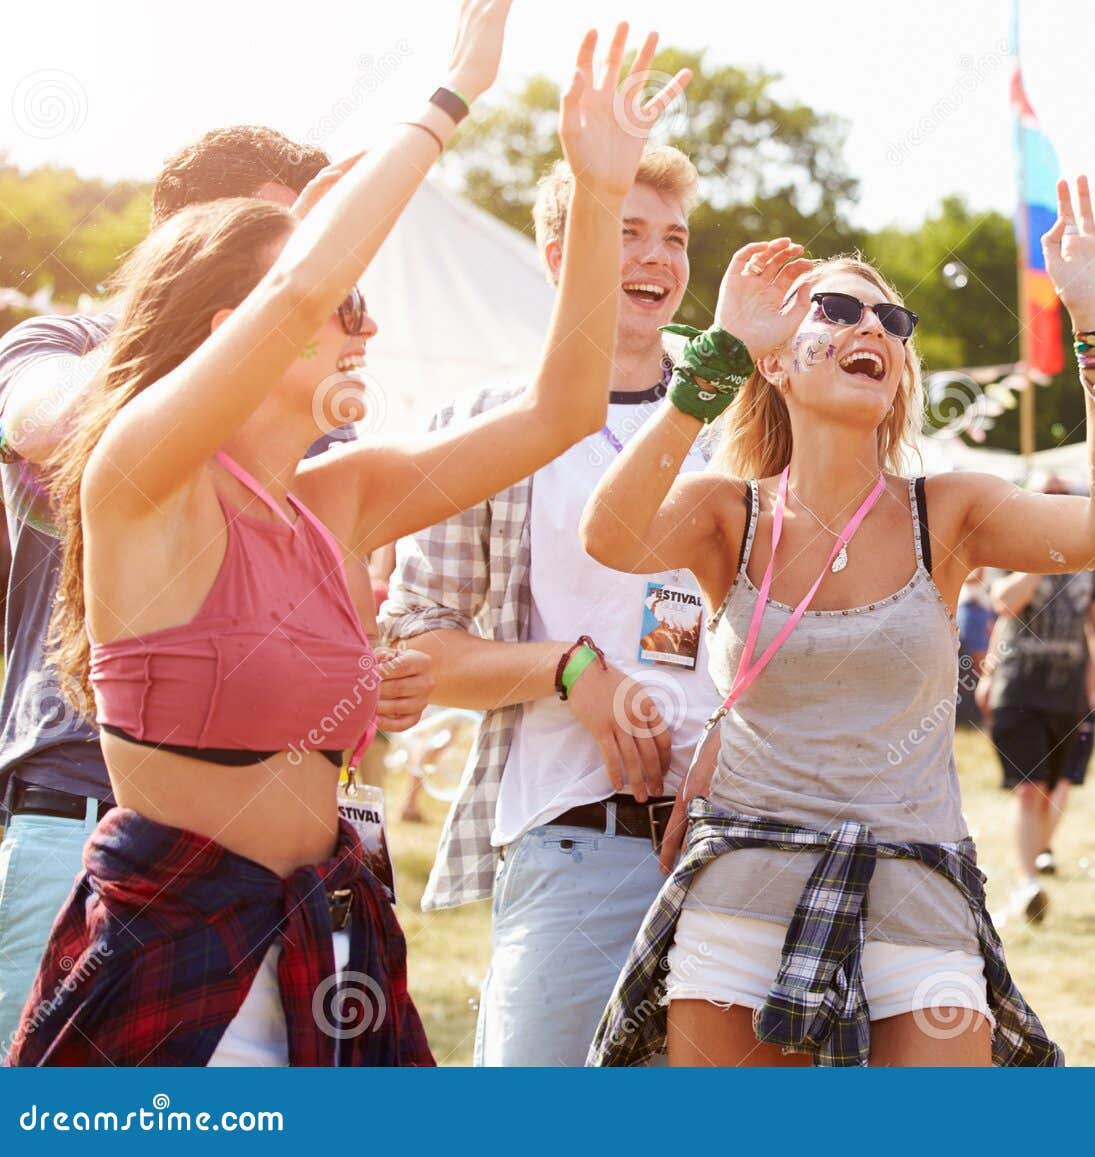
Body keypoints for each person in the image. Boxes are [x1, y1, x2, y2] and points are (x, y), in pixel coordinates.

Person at [8, 11, 689, 1066]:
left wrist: (596, 193)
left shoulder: (342, 497)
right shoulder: (140, 478)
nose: (366, 324)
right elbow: (297, 288)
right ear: (229, 324)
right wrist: (455, 91)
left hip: (332, 951)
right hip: (182, 963)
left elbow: (561, 410)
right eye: (349, 304)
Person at [582, 175, 1095, 1066]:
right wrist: (714, 358)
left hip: (915, 881)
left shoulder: (949, 509)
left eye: (892, 322)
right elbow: (609, 535)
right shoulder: (728, 510)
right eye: (837, 309)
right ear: (773, 358)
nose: (871, 329)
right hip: (744, 884)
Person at [0, 125, 430, 1052]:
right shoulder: (67, 344)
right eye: (293, 253)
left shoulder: (296, 411)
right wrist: (214, 360)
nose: (308, 285)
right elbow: (43, 424)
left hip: (282, 861)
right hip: (80, 805)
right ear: (192, 239)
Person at [379, 136, 716, 1065]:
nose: (657, 257)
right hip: (580, 843)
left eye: (676, 238)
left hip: (740, 851)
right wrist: (568, 671)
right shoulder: (486, 426)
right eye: (629, 231)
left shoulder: (745, 425)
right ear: (559, 255)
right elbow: (417, 649)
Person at [983, 480, 1095, 921]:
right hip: (1019, 689)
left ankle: (1041, 850)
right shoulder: (1011, 549)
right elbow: (1003, 603)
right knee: (1029, 788)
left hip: (1069, 693)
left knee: (1058, 787)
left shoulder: (1091, 563)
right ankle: (1029, 883)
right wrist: (1040, 561)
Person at [955, 569, 994, 728]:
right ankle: (988, 719)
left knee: (984, 669)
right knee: (983, 669)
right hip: (972, 609)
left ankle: (988, 719)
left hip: (985, 609)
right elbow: (971, 576)